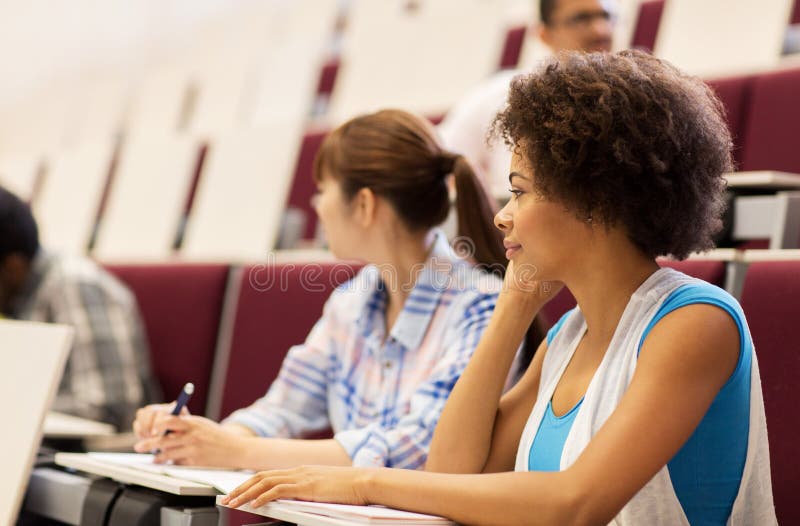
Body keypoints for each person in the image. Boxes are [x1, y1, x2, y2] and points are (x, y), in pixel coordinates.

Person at [223, 51, 777, 525]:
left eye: (520, 192)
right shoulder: (569, 335)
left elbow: (575, 504)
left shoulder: (697, 321)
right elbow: (452, 469)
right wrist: (512, 309)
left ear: (595, 199)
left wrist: (365, 482)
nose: (502, 219)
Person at [132, 109, 523, 471]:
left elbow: (422, 447)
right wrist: (198, 438)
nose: (316, 206)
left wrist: (238, 451)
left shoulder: (480, 307)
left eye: (324, 189)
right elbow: (281, 410)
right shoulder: (350, 301)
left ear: (365, 205)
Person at [0, 184, 158, 430]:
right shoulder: (17, 295)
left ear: (12, 266)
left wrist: (14, 408)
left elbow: (109, 407)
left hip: (97, 455)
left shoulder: (74, 284)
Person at [438, 0, 616, 196]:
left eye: (606, 17)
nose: (601, 30)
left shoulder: (633, 103)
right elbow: (439, 166)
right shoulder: (499, 93)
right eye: (581, 19)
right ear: (544, 34)